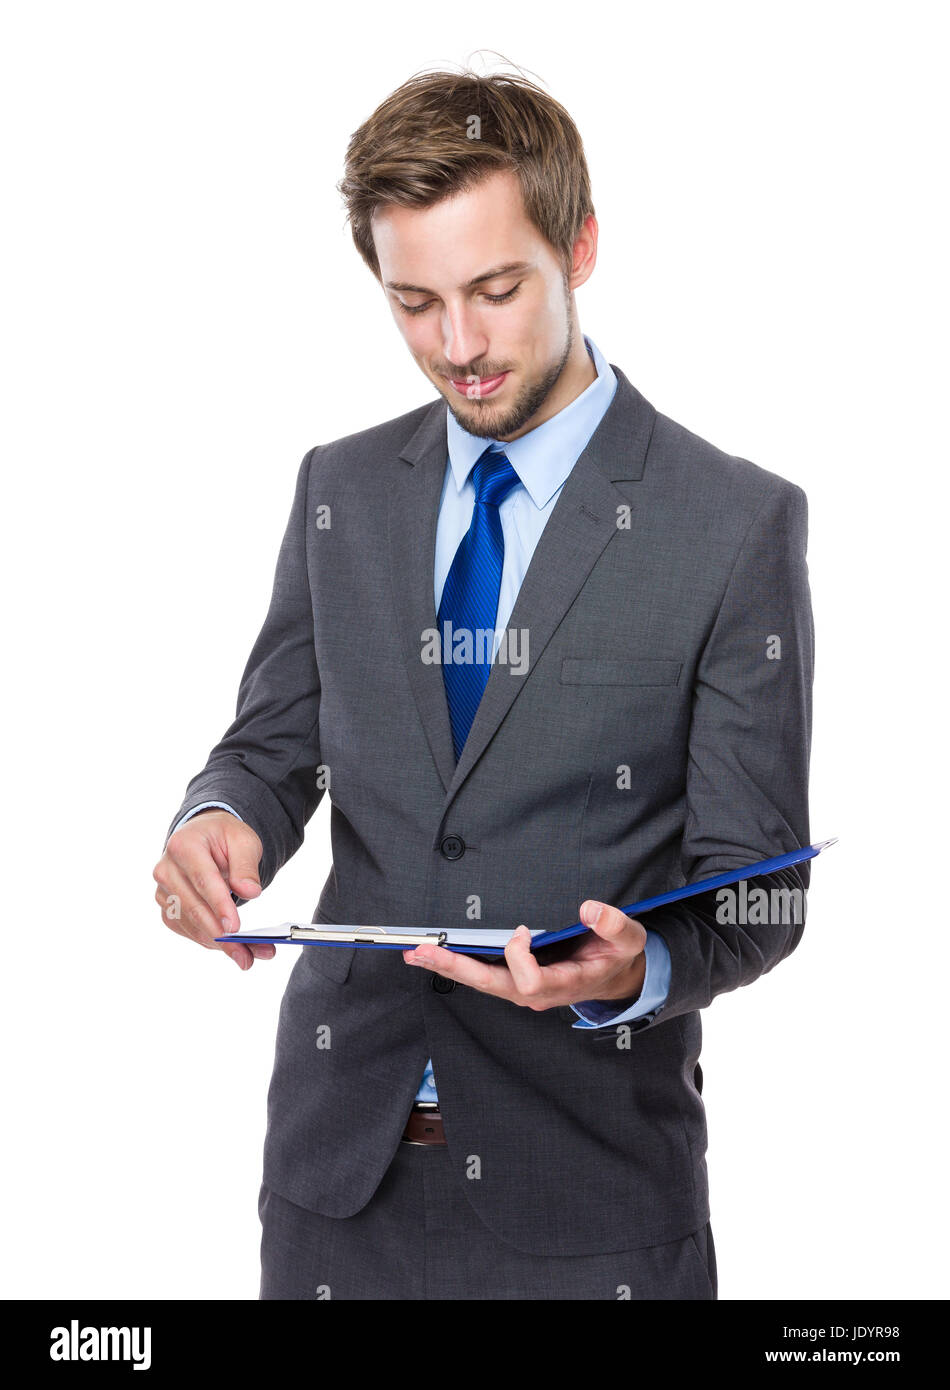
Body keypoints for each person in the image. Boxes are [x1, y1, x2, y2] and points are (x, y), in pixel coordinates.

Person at [152, 67, 814, 1300]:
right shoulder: (340, 487)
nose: (455, 347)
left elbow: (762, 882)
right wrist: (217, 822)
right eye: (413, 303)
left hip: (589, 1204)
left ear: (581, 247)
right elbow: (272, 745)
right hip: (334, 1187)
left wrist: (635, 966)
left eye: (495, 291)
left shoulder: (729, 524)